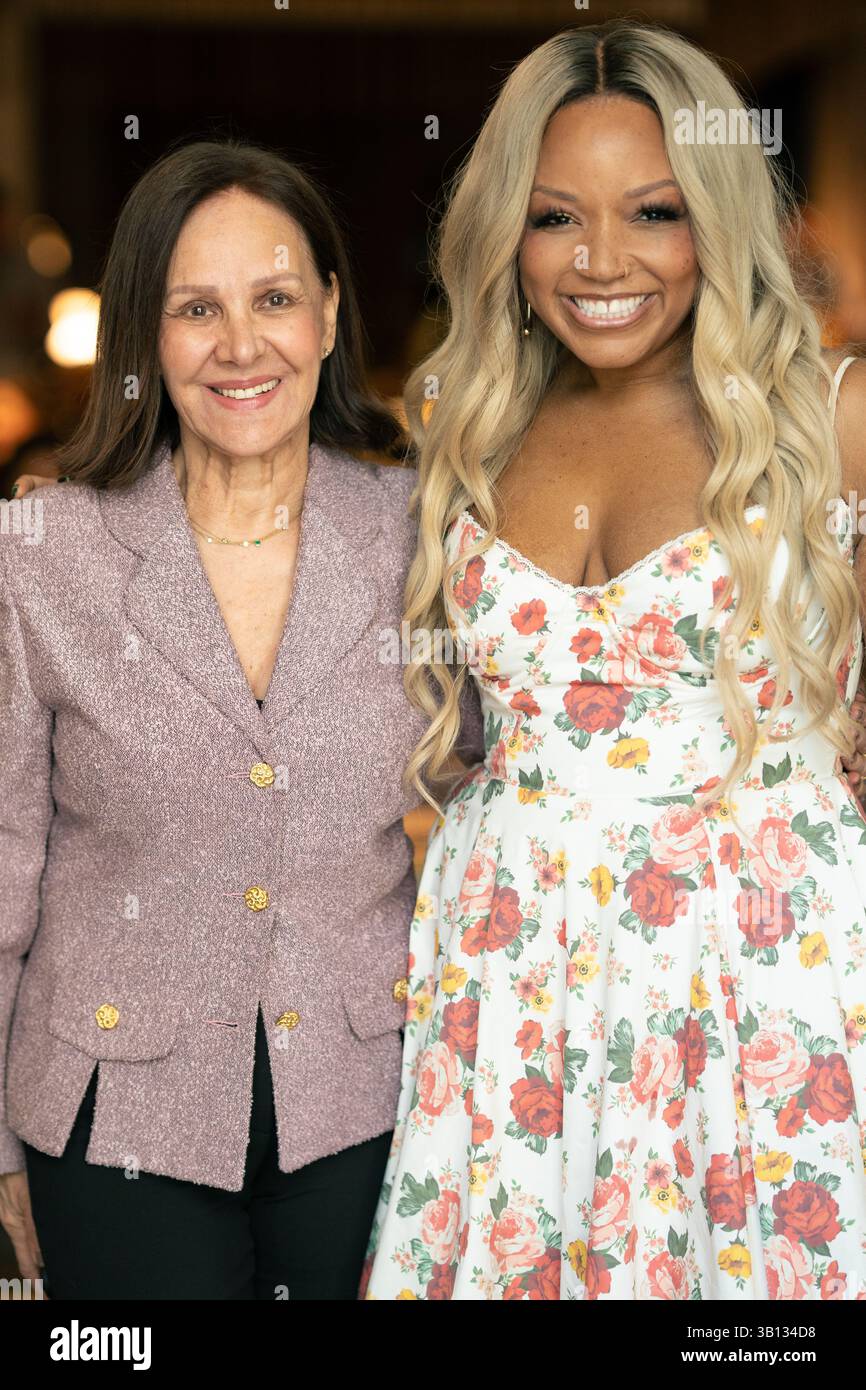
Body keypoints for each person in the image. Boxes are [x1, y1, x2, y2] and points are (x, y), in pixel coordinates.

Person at [361, 21, 866, 1299]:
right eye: (551, 219)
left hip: (769, 987)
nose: (599, 262)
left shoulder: (833, 416)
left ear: (714, 212)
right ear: (502, 235)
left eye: (651, 212)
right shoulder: (460, 428)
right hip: (513, 986)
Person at [0, 140, 483, 1300]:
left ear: (325, 311)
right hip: (112, 1119)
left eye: (273, 298)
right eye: (195, 309)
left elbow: (500, 786)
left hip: (370, 1101)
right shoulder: (43, 551)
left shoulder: (430, 535)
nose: (239, 345)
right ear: (144, 337)